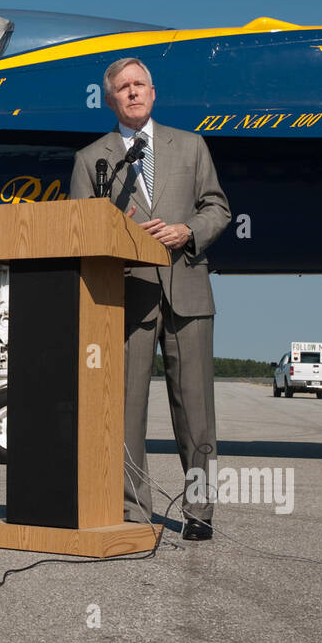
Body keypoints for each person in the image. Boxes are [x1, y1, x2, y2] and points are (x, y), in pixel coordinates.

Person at [69, 57, 231, 541]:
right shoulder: (90, 158)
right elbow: (80, 231)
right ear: (110, 99)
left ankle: (199, 511)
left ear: (153, 93)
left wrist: (187, 230)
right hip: (125, 295)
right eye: (123, 87)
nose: (133, 92)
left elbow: (217, 208)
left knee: (196, 408)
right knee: (124, 410)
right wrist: (120, 237)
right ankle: (132, 511)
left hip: (187, 290)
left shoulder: (192, 146)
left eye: (140, 84)